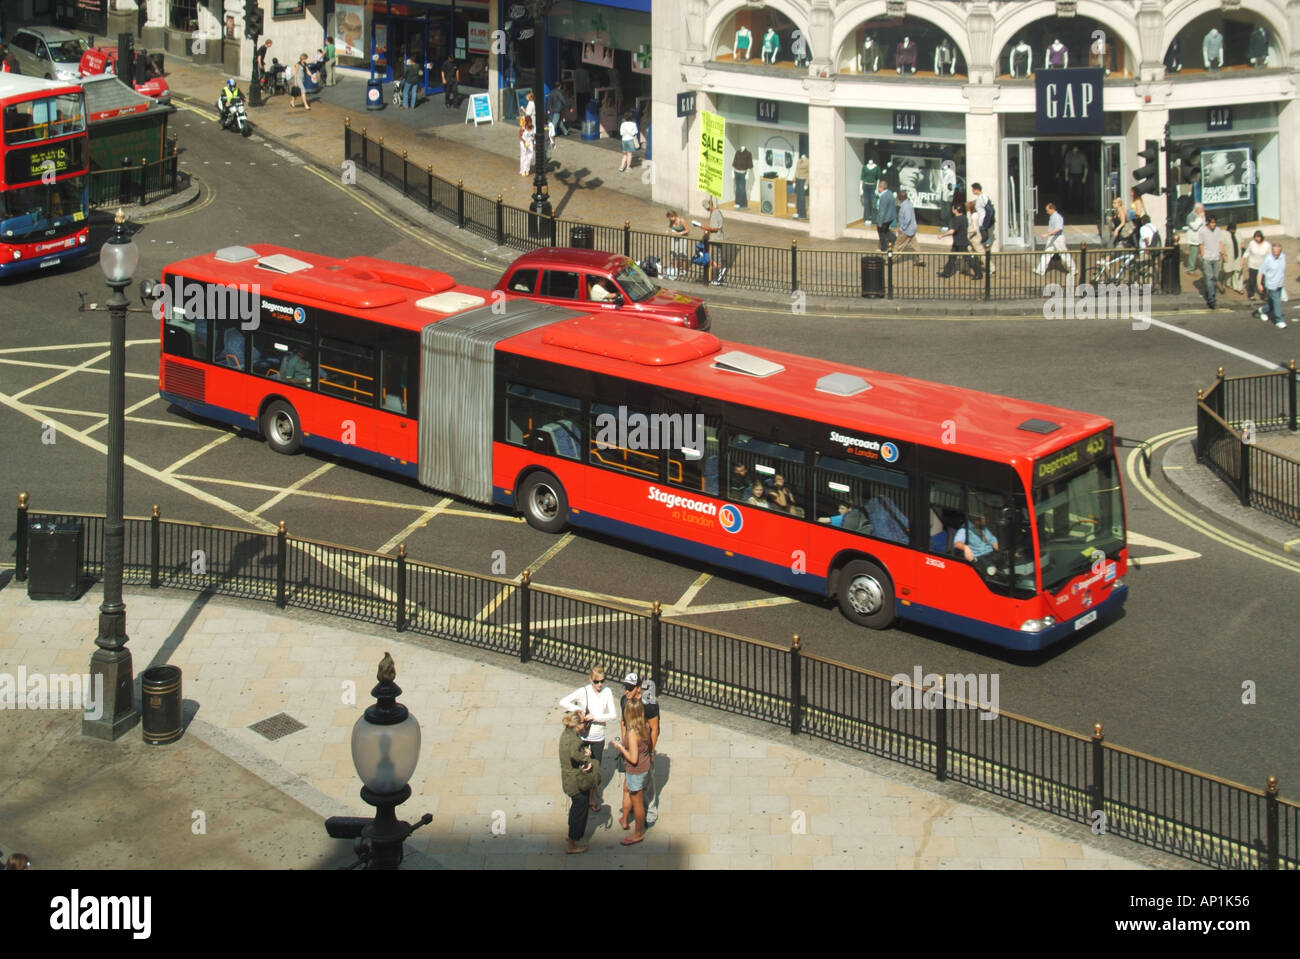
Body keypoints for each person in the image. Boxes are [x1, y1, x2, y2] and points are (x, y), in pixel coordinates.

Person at [558, 666, 619, 810]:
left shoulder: (607, 692)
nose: (599, 685)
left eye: (602, 681)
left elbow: (613, 714)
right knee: (581, 765)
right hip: (583, 736)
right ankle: (579, 794)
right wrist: (579, 711)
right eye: (596, 682)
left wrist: (595, 717)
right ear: (590, 679)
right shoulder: (583, 691)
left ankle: (591, 798)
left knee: (595, 768)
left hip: (598, 736)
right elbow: (563, 702)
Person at [612, 700, 652, 845]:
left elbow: (633, 758)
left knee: (638, 802)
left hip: (636, 771)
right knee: (627, 789)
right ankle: (624, 819)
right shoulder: (645, 725)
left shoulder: (632, 734)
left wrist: (621, 748)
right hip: (644, 766)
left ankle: (638, 833)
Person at [559, 711, 597, 854]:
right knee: (579, 812)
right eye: (584, 723)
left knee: (575, 808)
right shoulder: (575, 740)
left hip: (568, 779)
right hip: (576, 782)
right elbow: (575, 754)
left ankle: (571, 836)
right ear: (577, 725)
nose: (586, 725)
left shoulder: (567, 734)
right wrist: (585, 758)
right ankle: (572, 844)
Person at [1033, 202, 1075, 275]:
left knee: (1064, 254)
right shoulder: (1053, 216)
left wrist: (1047, 234)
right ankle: (1040, 270)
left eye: (1047, 210)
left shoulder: (1057, 217)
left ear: (1052, 209)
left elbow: (1058, 228)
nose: (1047, 212)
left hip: (1058, 238)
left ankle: (1073, 269)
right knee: (1047, 254)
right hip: (1053, 237)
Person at [938, 202, 978, 278]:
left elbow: (952, 231)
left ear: (956, 210)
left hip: (960, 242)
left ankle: (978, 273)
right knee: (952, 258)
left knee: (968, 259)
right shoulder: (964, 217)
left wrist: (942, 235)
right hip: (959, 241)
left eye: (953, 208)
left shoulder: (957, 219)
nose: (952, 210)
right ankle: (946, 272)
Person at [1197, 214, 1226, 309]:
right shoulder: (1202, 231)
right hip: (1207, 258)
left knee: (1215, 278)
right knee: (1209, 278)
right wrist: (1202, 255)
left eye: (1214, 223)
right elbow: (1200, 244)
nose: (1213, 225)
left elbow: (1220, 243)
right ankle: (1211, 299)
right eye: (1212, 223)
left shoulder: (1218, 231)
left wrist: (1223, 254)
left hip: (1216, 258)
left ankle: (1210, 291)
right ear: (1207, 223)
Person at [1258, 241, 1287, 329]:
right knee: (1277, 301)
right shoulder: (1268, 259)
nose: (1275, 253)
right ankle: (1279, 320)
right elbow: (1261, 272)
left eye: (1277, 251)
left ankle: (1263, 310)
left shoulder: (1283, 257)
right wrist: (1259, 284)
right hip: (1271, 284)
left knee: (1274, 302)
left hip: (1280, 283)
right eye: (1274, 251)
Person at [700, 196, 727, 284]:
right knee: (715, 257)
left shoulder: (715, 213)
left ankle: (718, 276)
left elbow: (715, 228)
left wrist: (704, 227)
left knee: (716, 258)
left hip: (716, 238)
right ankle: (717, 276)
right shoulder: (715, 213)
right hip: (716, 238)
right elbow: (712, 224)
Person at [892, 189, 922, 265]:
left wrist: (901, 229)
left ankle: (891, 260)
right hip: (911, 229)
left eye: (898, 197)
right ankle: (921, 260)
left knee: (898, 245)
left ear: (901, 198)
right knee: (915, 245)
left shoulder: (905, 207)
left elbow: (907, 219)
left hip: (906, 230)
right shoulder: (908, 204)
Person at [1243, 229, 1269, 302]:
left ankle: (1264, 295)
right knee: (1252, 280)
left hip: (1262, 266)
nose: (1257, 239)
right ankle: (1251, 294)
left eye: (1259, 237)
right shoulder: (1252, 243)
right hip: (1253, 265)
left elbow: (1270, 255)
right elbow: (1247, 252)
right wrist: (1243, 260)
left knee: (1263, 281)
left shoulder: (1266, 245)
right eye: (1256, 237)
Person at [665, 209, 691, 278]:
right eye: (669, 218)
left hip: (683, 237)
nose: (670, 219)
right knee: (673, 253)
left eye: (671, 217)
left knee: (682, 254)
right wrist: (667, 231)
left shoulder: (681, 220)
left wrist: (680, 233)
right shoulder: (671, 221)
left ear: (675, 216)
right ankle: (675, 269)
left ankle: (684, 270)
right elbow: (669, 227)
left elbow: (688, 230)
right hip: (675, 237)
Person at [874, 179, 897, 251]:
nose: (878, 189)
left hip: (885, 218)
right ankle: (894, 239)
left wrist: (879, 223)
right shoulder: (889, 193)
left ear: (881, 188)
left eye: (878, 187)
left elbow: (882, 211)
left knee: (881, 232)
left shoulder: (883, 197)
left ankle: (884, 248)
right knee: (886, 230)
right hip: (890, 217)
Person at [1064, 145, 1088, 211]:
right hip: (1072, 175)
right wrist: (1066, 176)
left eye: (1076, 148)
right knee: (1070, 192)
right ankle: (1071, 208)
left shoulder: (1081, 155)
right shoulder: (1069, 154)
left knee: (1079, 192)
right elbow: (1067, 166)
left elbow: (1086, 167)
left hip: (1079, 175)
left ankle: (1079, 209)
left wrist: (1084, 177)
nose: (1075, 149)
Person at [1184, 202, 1205, 274]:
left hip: (1202, 238)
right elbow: (1194, 227)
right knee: (1193, 255)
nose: (1202, 211)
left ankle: (1205, 268)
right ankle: (1190, 269)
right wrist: (1200, 218)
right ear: (1197, 209)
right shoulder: (1191, 216)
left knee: (1204, 254)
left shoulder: (1201, 216)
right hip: (1194, 239)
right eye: (1201, 209)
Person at [1221, 221, 1242, 294]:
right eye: (1231, 229)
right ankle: (1227, 283)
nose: (1233, 231)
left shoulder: (1238, 234)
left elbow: (1242, 244)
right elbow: (1221, 245)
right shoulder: (1224, 234)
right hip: (1228, 255)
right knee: (1228, 271)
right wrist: (1223, 255)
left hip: (1237, 255)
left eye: (1234, 229)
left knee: (1237, 270)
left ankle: (1237, 286)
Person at [793, 153, 809, 220]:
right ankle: (798, 212)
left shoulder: (808, 162)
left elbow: (809, 173)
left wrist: (806, 183)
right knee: (798, 197)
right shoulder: (799, 161)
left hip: (803, 180)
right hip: (798, 179)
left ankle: (803, 214)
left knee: (802, 197)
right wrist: (794, 180)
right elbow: (796, 170)